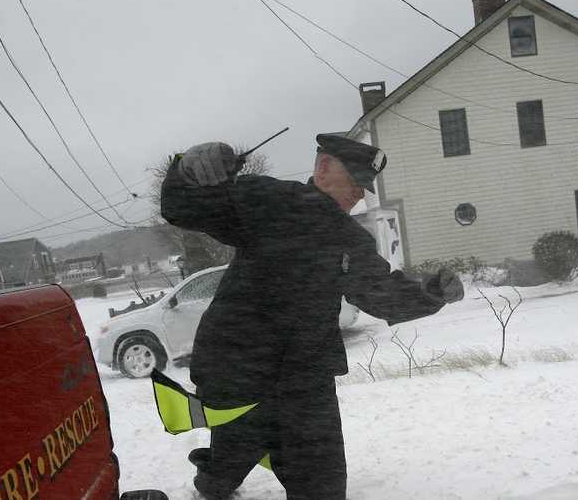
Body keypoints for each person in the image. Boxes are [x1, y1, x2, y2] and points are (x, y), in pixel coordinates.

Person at [160, 134, 464, 500]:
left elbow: (379, 293)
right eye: (355, 182)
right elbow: (184, 207)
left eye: (364, 187)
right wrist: (188, 170)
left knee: (322, 482)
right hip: (241, 372)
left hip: (307, 380)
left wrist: (429, 292)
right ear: (322, 169)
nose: (360, 195)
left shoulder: (349, 238)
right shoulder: (271, 201)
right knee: (231, 456)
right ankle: (211, 486)